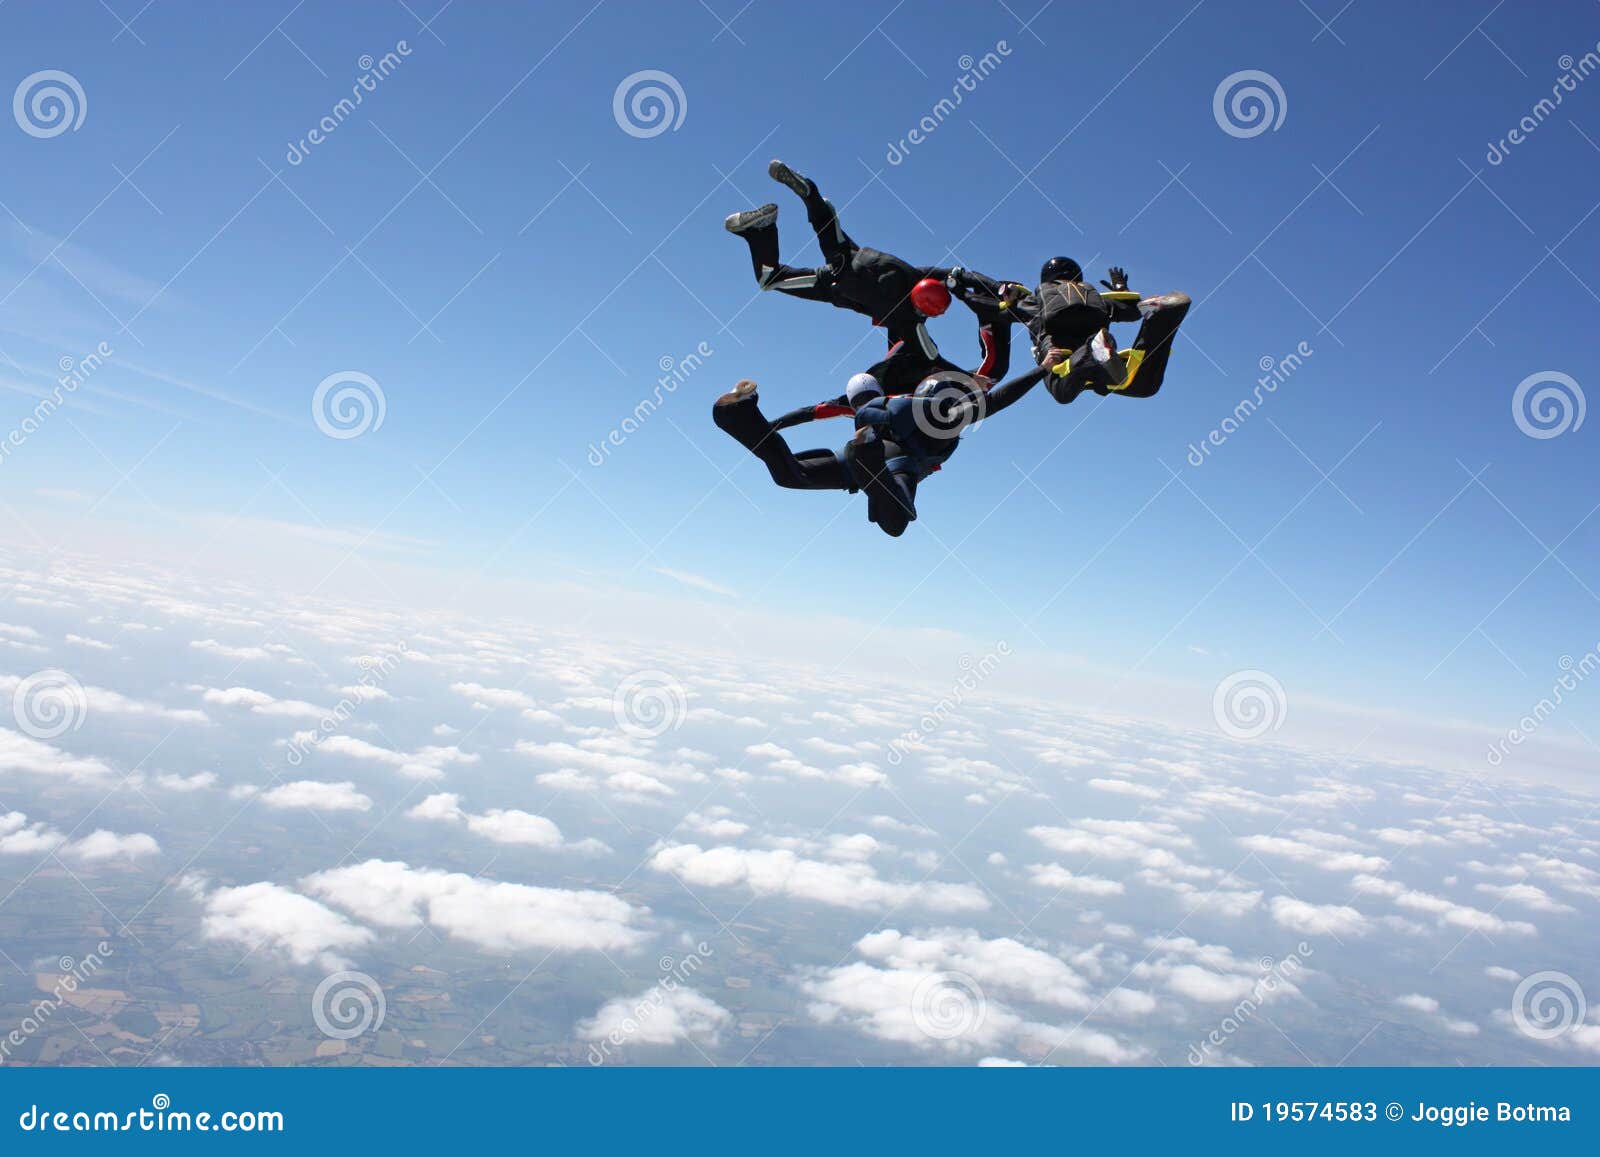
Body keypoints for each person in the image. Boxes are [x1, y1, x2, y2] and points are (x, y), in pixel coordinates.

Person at [725, 159, 1015, 378]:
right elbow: (933, 359)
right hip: (834, 281)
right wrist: (970, 380)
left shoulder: (916, 275)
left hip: (851, 254)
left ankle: (810, 194)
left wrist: (1000, 288)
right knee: (769, 279)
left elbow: (962, 273)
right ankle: (764, 229)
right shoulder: (908, 320)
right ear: (923, 309)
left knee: (824, 219)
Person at [710, 356, 1059, 537]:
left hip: (851, 457)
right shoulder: (929, 408)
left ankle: (739, 415)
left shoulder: (857, 408)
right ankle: (872, 467)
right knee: (895, 525)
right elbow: (998, 399)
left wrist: (769, 427)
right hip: (894, 465)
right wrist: (1042, 369)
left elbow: (806, 413)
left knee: (790, 474)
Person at [974, 258, 1191, 404]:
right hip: (1101, 367)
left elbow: (999, 310)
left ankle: (1091, 351)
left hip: (1065, 361)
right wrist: (1121, 291)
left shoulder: (1035, 299)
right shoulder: (1096, 300)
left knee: (1062, 394)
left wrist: (979, 296)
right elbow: (1132, 313)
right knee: (1144, 386)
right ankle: (1161, 319)